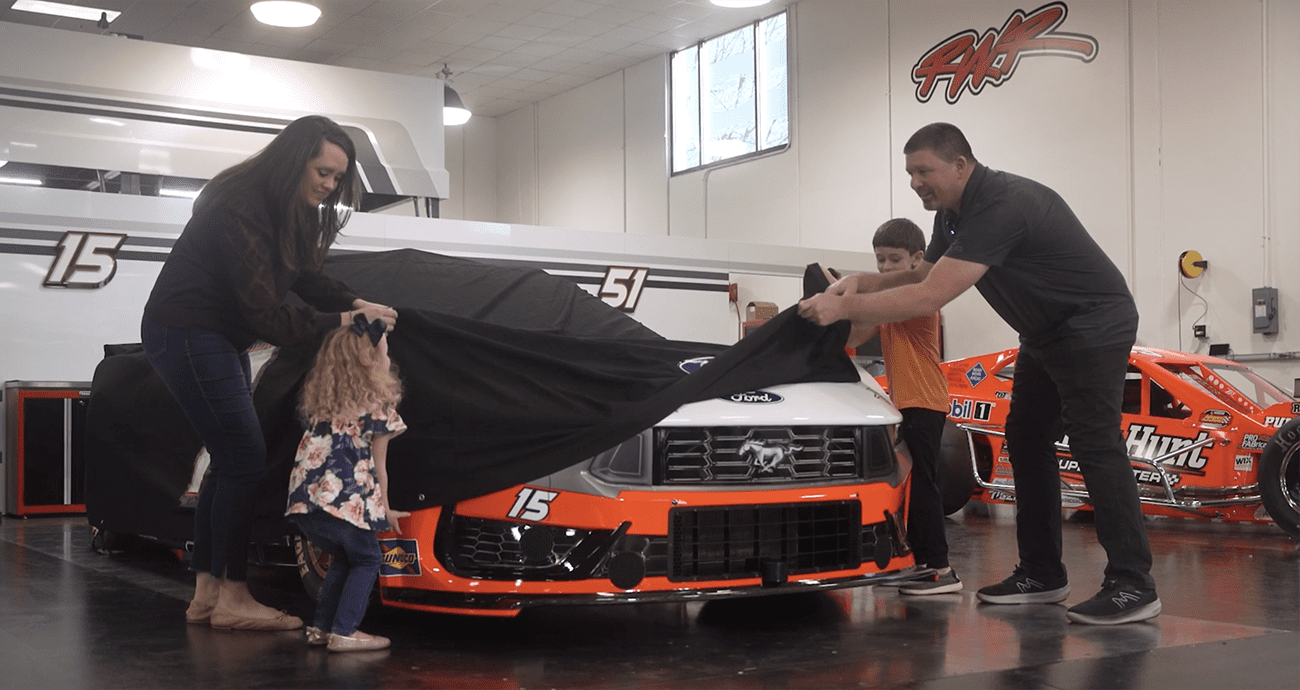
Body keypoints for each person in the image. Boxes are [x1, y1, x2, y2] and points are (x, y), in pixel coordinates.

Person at [798, 123, 1159, 625]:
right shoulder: (952, 216)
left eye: (924, 170)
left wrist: (843, 308)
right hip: (1045, 333)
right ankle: (1041, 573)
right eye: (910, 173)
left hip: (1092, 323)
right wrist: (861, 279)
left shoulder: (1001, 205)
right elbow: (924, 274)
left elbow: (930, 296)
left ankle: (1132, 583)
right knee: (1026, 437)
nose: (915, 182)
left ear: (960, 165)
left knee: (1094, 441)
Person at [141, 115, 398, 631]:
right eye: (323, 173)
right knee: (242, 457)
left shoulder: (286, 210)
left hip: (210, 335)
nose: (328, 187)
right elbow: (267, 314)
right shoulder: (241, 205)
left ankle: (207, 595)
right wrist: (343, 321)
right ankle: (233, 597)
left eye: (336, 180)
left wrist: (354, 299)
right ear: (293, 159)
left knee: (228, 459)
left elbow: (304, 274)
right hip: (189, 331)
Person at [853, 218, 961, 596]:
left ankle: (939, 570)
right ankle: (919, 562)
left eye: (893, 260)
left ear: (918, 260)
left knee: (923, 488)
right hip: (906, 405)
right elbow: (854, 334)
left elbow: (869, 311)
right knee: (909, 488)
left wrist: (843, 293)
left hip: (924, 402)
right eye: (879, 260)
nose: (884, 269)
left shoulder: (917, 300)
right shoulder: (892, 305)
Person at [287, 315, 407, 652]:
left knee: (343, 558)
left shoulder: (321, 407)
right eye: (382, 354)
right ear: (371, 362)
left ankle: (321, 628)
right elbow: (379, 469)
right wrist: (384, 510)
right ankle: (345, 631)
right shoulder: (378, 408)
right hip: (345, 506)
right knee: (368, 559)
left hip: (305, 506)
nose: (387, 360)